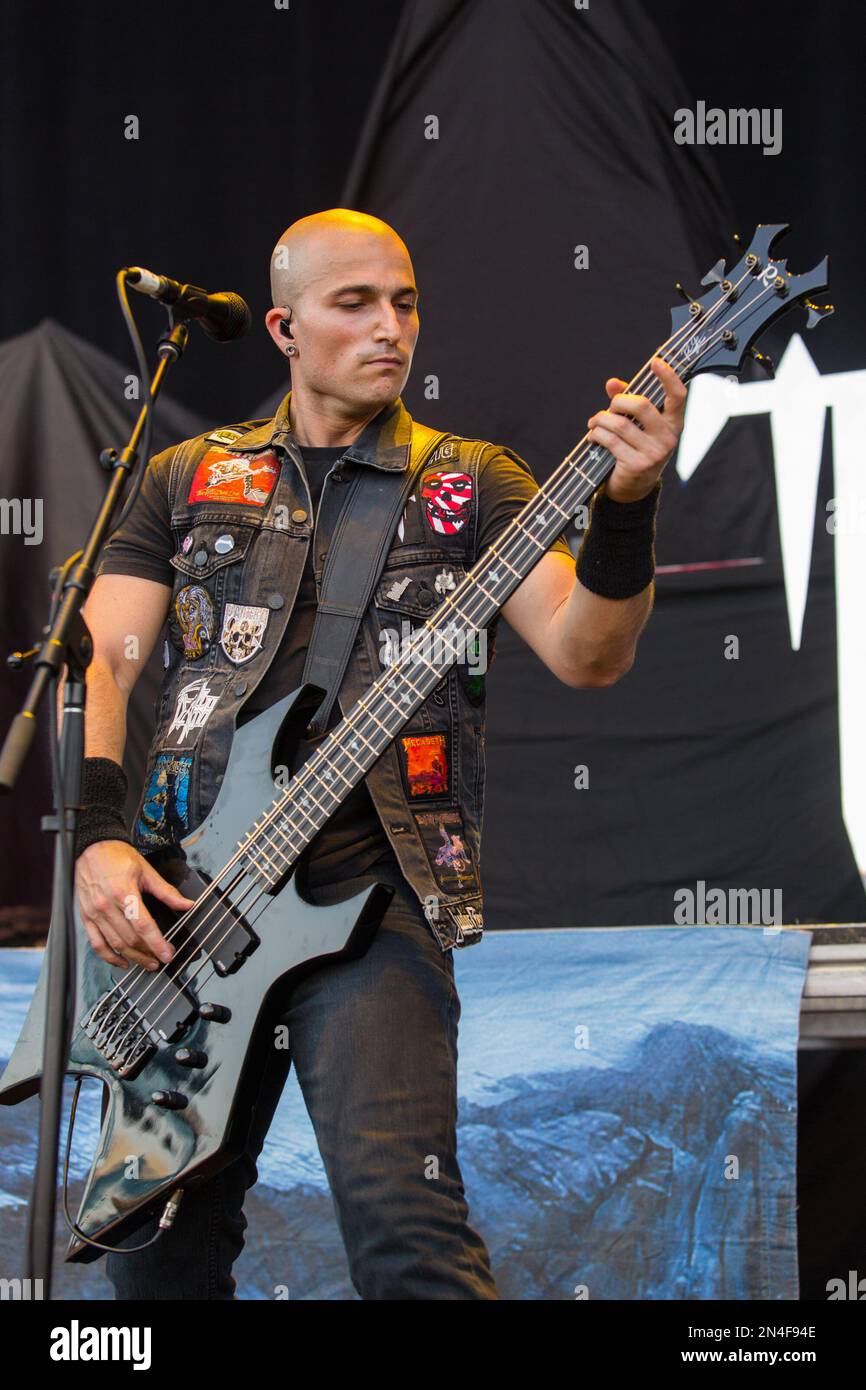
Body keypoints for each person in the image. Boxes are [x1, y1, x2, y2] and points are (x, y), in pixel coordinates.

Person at [69, 209, 687, 1299]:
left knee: (407, 1234)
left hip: (372, 906)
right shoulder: (183, 476)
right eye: (354, 303)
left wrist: (628, 506)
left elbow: (588, 653)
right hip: (185, 913)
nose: (389, 326)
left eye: (404, 302)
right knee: (152, 1264)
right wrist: (101, 842)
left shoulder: (474, 481)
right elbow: (105, 663)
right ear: (283, 327)